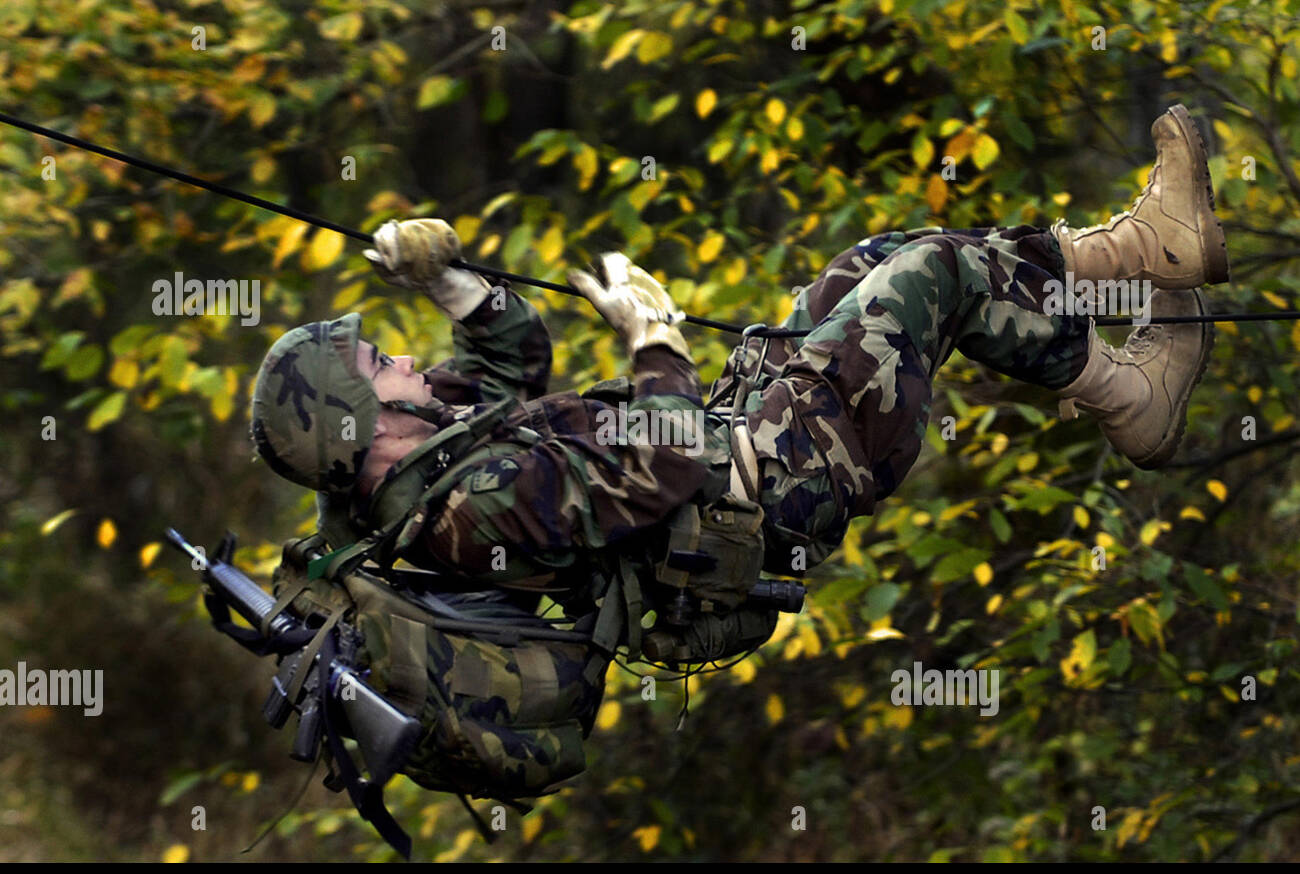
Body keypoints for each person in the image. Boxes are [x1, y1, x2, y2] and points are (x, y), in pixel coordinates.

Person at [250, 103, 1228, 598]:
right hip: (778, 482)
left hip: (749, 438)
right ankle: (1149, 251)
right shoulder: (469, 509)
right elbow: (663, 459)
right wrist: (654, 342)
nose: (408, 363)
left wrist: (440, 278)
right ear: (362, 419)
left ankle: (1127, 393)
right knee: (933, 273)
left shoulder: (418, 456)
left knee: (870, 263)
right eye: (383, 365)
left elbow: (511, 363)